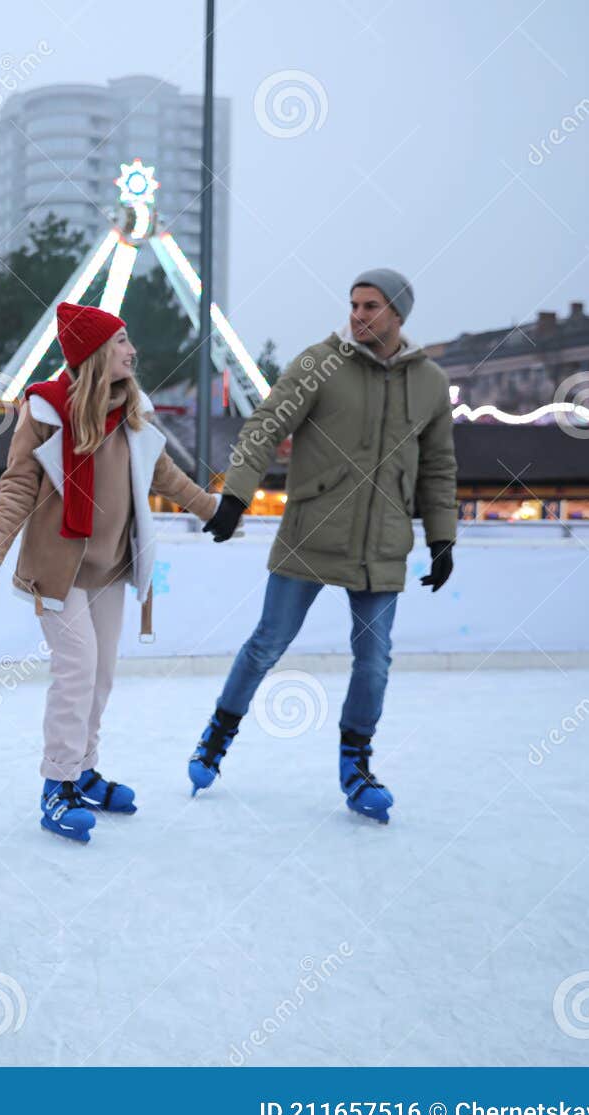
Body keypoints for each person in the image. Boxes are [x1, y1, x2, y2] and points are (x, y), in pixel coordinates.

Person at [191, 268, 458, 824]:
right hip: (312, 531)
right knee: (267, 643)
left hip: (382, 543)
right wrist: (236, 496)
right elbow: (265, 425)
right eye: (354, 305)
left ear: (398, 315)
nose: (358, 315)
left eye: (371, 306)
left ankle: (356, 766)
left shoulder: (429, 382)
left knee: (375, 661)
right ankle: (216, 737)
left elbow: (438, 468)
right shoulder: (322, 362)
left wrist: (441, 537)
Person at [0, 303, 220, 842]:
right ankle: (56, 785)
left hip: (109, 568)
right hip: (57, 571)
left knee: (101, 675)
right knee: (77, 669)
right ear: (97, 352)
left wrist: (210, 509)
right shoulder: (45, 412)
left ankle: (82, 770)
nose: (132, 350)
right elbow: (16, 486)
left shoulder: (132, 412)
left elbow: (166, 475)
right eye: (122, 341)